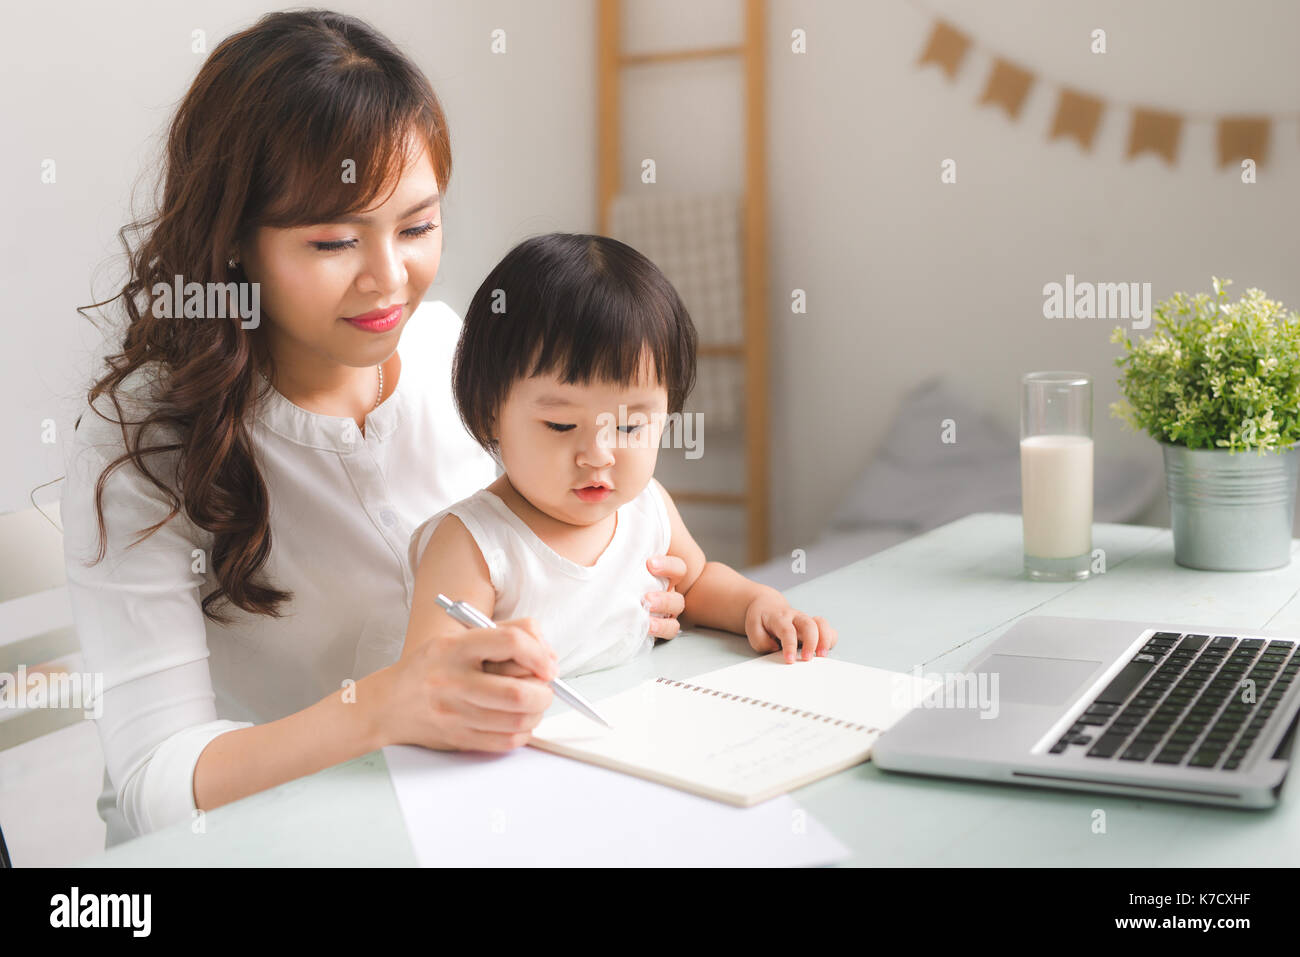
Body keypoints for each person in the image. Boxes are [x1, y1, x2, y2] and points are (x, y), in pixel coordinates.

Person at [58, 10, 688, 846]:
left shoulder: (449, 350)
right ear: (235, 241)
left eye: (419, 226)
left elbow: (563, 525)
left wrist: (617, 591)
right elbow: (154, 784)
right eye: (331, 241)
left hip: (463, 818)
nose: (390, 279)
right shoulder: (145, 441)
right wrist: (382, 708)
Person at [404, 233, 838, 677]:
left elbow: (697, 582)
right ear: (489, 413)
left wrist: (758, 604)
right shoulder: (473, 544)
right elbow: (427, 678)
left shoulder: (646, 508)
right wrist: (488, 672)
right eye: (561, 426)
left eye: (629, 426)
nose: (598, 455)